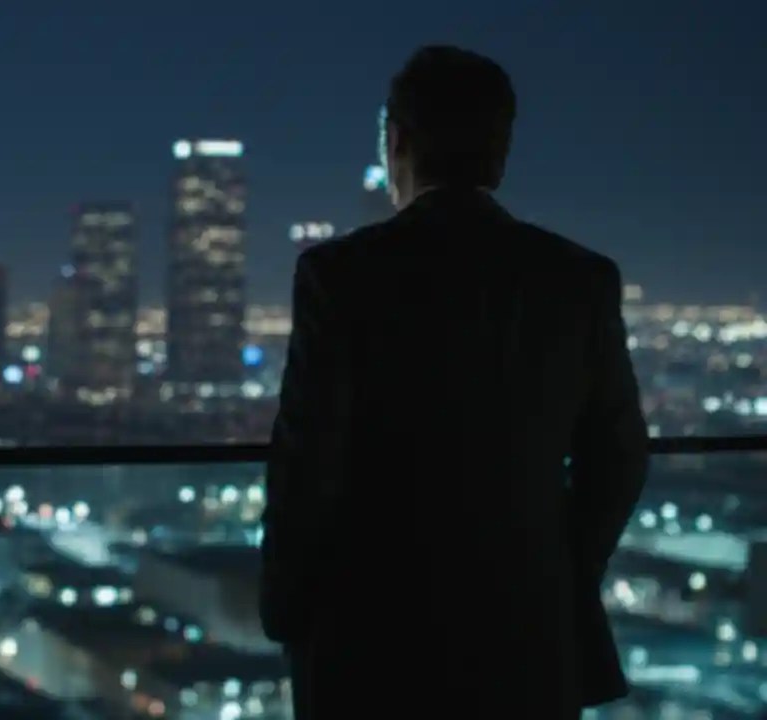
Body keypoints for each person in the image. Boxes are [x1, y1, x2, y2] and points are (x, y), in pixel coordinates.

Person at [259, 45, 649, 719]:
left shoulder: (341, 277)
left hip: (373, 641)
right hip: (529, 640)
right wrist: (557, 570)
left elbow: (308, 463)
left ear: (396, 142)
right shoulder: (580, 279)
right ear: (501, 152)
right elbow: (618, 457)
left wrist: (288, 609)